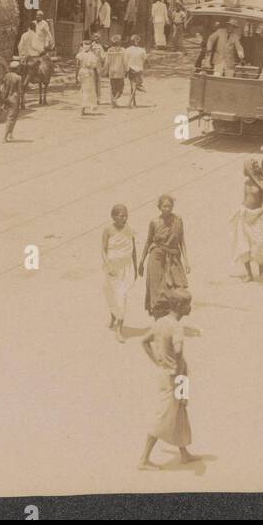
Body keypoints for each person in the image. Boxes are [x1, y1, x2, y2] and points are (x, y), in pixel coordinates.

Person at [138, 290, 197, 469]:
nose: (190, 307)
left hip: (167, 373)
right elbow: (178, 351)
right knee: (163, 415)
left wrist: (158, 361)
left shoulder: (160, 322)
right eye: (187, 304)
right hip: (176, 376)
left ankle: (184, 453)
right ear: (179, 306)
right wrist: (178, 373)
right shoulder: (176, 327)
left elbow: (144, 341)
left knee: (180, 410)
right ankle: (143, 459)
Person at [139, 194, 190, 315]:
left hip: (173, 257)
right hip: (156, 257)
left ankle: (172, 318)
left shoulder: (178, 220)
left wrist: (187, 262)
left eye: (169, 206)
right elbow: (148, 242)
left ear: (173, 206)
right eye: (164, 206)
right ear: (159, 207)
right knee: (157, 290)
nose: (167, 208)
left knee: (178, 288)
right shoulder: (154, 222)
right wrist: (141, 262)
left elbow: (182, 241)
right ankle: (159, 318)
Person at [101, 203, 138, 338]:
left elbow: (133, 249)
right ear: (114, 216)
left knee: (121, 297)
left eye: (126, 215)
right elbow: (103, 249)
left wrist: (136, 267)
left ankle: (119, 330)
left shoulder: (129, 229)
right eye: (121, 215)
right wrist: (108, 265)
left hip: (126, 269)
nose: (124, 218)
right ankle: (113, 317)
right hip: (111, 268)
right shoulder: (108, 230)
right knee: (110, 295)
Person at [231, 163, 263, 281]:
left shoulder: (262, 183)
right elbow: (245, 198)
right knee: (243, 245)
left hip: (256, 215)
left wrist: (259, 215)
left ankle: (261, 269)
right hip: (244, 213)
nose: (243, 170)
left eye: (245, 168)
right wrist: (240, 210)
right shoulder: (246, 182)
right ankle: (249, 274)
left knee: (257, 244)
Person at [76, 38, 101, 116]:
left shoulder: (80, 55)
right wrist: (97, 77)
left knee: (83, 90)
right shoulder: (93, 56)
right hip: (89, 73)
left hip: (82, 73)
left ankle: (83, 108)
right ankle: (83, 108)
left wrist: (76, 76)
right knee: (88, 91)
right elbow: (95, 68)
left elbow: (77, 67)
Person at [1, 60, 25, 140]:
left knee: (11, 117)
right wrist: (22, 102)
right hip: (14, 99)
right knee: (12, 118)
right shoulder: (19, 77)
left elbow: (3, 87)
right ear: (17, 68)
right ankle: (5, 137)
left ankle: (10, 134)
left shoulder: (6, 76)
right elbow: (20, 91)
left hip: (6, 98)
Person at [123, 36, 148, 107]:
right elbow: (145, 59)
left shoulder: (127, 50)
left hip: (130, 70)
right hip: (139, 70)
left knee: (132, 86)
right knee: (134, 87)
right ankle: (129, 103)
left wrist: (126, 70)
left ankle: (134, 103)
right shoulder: (142, 50)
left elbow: (125, 61)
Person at [104, 37, 127, 109]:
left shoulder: (109, 50)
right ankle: (115, 100)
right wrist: (127, 69)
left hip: (112, 71)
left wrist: (105, 70)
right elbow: (125, 61)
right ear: (119, 42)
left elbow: (107, 62)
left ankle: (113, 103)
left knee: (112, 87)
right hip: (120, 71)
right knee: (120, 88)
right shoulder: (123, 50)